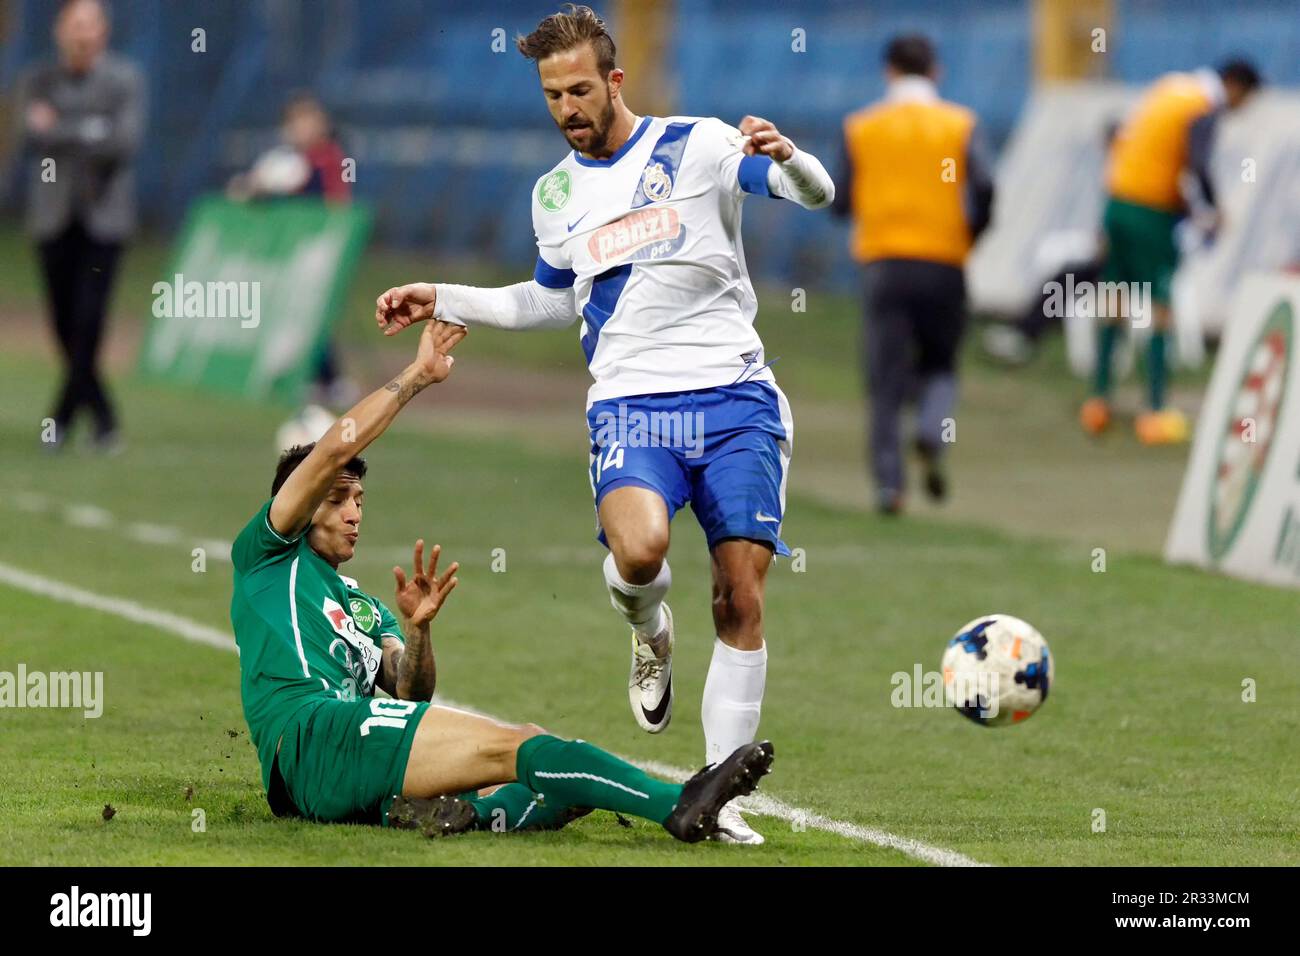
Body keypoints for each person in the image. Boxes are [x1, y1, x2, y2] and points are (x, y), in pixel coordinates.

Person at [374, 4, 832, 845]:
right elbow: (547, 299)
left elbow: (817, 194)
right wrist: (441, 294)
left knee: (740, 597)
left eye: (579, 89)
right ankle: (648, 627)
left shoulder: (696, 146)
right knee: (640, 552)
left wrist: (791, 156)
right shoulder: (555, 194)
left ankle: (717, 802)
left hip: (735, 399)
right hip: (632, 404)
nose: (566, 109)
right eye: (552, 95)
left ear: (615, 80)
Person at [230, 316, 774, 842]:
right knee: (516, 749)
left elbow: (408, 690)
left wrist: (417, 633)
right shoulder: (268, 551)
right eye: (336, 499)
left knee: (550, 761)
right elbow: (335, 448)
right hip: (309, 736)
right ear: (297, 508)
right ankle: (678, 802)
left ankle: (453, 814)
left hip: (347, 753)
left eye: (360, 501)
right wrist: (416, 376)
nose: (354, 514)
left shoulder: (361, 605)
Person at [831, 34, 994, 514]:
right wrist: (970, 234)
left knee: (884, 380)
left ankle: (890, 485)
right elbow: (986, 187)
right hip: (945, 261)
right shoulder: (960, 125)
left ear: (889, 72)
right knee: (941, 364)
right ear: (936, 72)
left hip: (884, 263)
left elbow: (839, 201)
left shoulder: (861, 127)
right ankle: (929, 428)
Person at [1081, 59, 1261, 445]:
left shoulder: (1169, 88)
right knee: (1160, 308)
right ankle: (1155, 411)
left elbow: (1124, 138)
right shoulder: (1202, 105)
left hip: (1117, 201)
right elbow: (1198, 162)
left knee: (1114, 300)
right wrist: (1213, 208)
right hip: (1150, 211)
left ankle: (1098, 402)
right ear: (1235, 85)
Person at [16, 0, 145, 452]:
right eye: (75, 24)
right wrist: (88, 129)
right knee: (63, 327)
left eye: (90, 24)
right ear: (60, 31)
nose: (82, 33)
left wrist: (63, 128)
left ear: (103, 31)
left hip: (103, 221)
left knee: (89, 323)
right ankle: (102, 418)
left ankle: (62, 421)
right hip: (53, 219)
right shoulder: (38, 79)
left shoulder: (124, 80)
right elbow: (31, 135)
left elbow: (122, 142)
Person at [227, 92, 357, 406]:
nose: (302, 129)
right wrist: (251, 188)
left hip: (316, 252)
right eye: (295, 123)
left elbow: (336, 203)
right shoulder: (284, 159)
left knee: (313, 317)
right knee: (292, 313)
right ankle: (307, 377)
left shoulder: (328, 158)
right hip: (288, 253)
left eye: (308, 121)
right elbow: (258, 190)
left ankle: (330, 380)